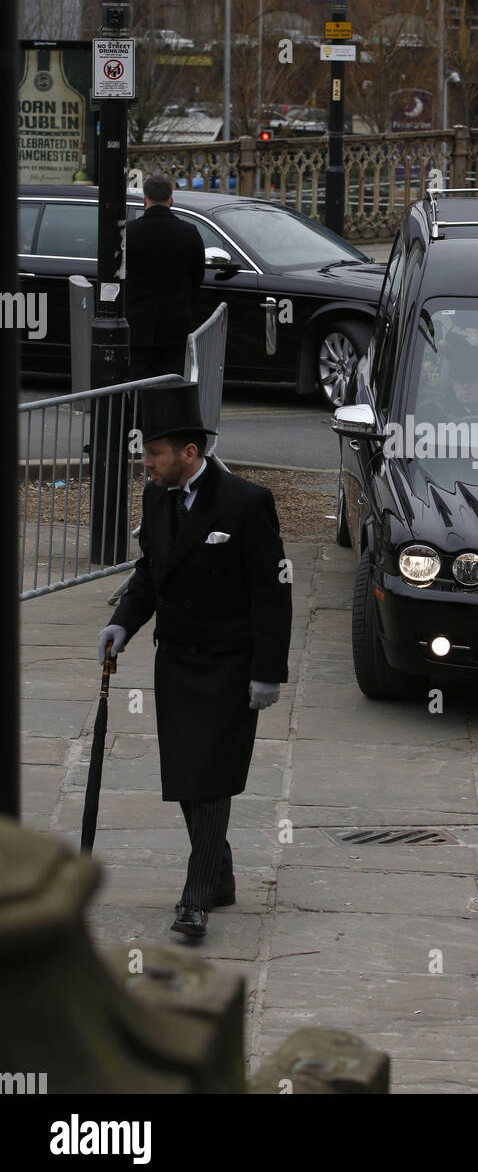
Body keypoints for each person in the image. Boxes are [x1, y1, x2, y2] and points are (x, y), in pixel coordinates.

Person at [97, 383, 292, 938]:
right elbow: (151, 572)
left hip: (230, 666)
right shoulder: (156, 496)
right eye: (145, 454)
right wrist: (123, 623)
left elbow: (272, 592)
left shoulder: (245, 502)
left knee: (209, 780)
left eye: (155, 454)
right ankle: (221, 874)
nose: (147, 464)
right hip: (177, 662)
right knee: (187, 777)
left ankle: (197, 896)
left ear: (189, 453)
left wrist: (267, 671)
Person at [126, 173, 205, 379]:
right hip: (175, 323)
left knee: (138, 382)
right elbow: (197, 277)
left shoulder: (129, 233)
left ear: (144, 200)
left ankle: (140, 412)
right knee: (171, 382)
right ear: (171, 200)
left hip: (138, 324)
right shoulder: (189, 232)